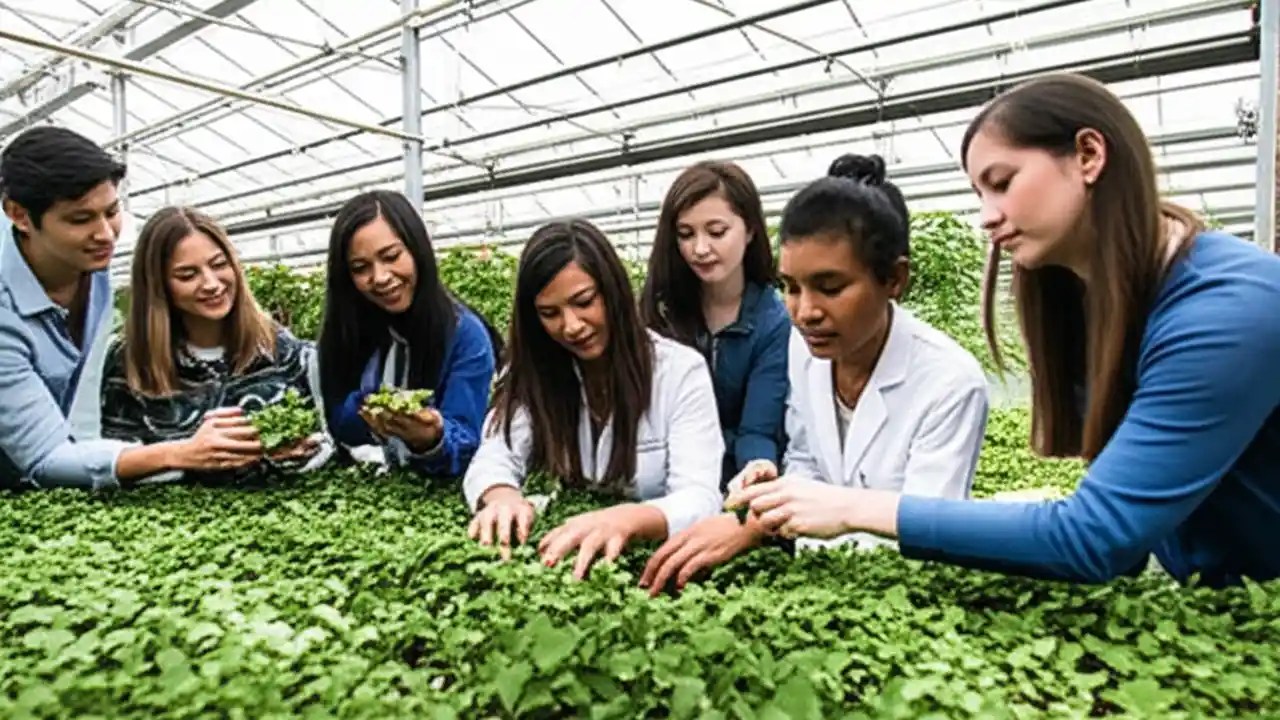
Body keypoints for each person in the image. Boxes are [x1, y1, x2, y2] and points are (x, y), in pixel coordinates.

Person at [728, 73, 1280, 588]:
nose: (988, 217)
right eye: (979, 195)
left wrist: (851, 507)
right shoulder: (1093, 307)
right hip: (1219, 594)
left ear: (1088, 154)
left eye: (1002, 183)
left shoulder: (1228, 311)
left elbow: (1095, 538)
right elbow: (1130, 543)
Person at [641, 154, 989, 595]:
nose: (805, 312)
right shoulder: (803, 349)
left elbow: (924, 534)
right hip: (812, 578)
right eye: (791, 287)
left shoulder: (951, 383)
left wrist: (753, 528)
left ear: (895, 279)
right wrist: (766, 496)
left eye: (830, 288)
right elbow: (805, 457)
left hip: (897, 595)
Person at [0, 126, 261, 491]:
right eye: (81, 219)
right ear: (20, 215)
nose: (106, 234)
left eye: (111, 211)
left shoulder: (84, 256)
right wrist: (179, 452)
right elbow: (45, 456)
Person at [464, 218, 725, 580]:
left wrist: (628, 519)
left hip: (647, 569)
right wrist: (500, 496)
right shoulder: (536, 373)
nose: (571, 326)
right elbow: (496, 453)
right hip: (569, 565)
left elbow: (700, 497)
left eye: (584, 302)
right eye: (549, 313)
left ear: (613, 291)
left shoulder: (679, 372)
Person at [88, 206, 331, 484]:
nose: (211, 284)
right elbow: (115, 462)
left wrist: (296, 454)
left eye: (218, 265)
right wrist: (184, 455)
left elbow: (324, 439)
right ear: (159, 286)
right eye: (187, 275)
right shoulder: (129, 362)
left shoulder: (279, 348)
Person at [318, 189, 500, 477]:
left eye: (391, 256)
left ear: (417, 250)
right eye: (360, 267)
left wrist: (431, 437)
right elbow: (335, 422)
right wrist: (365, 408)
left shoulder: (464, 335)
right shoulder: (348, 328)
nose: (380, 277)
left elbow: (468, 441)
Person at [639, 160, 790, 488]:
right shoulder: (659, 310)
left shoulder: (773, 323)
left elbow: (757, 429)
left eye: (717, 232)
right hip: (659, 482)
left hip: (728, 484)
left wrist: (757, 469)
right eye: (685, 234)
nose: (700, 249)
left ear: (750, 229)